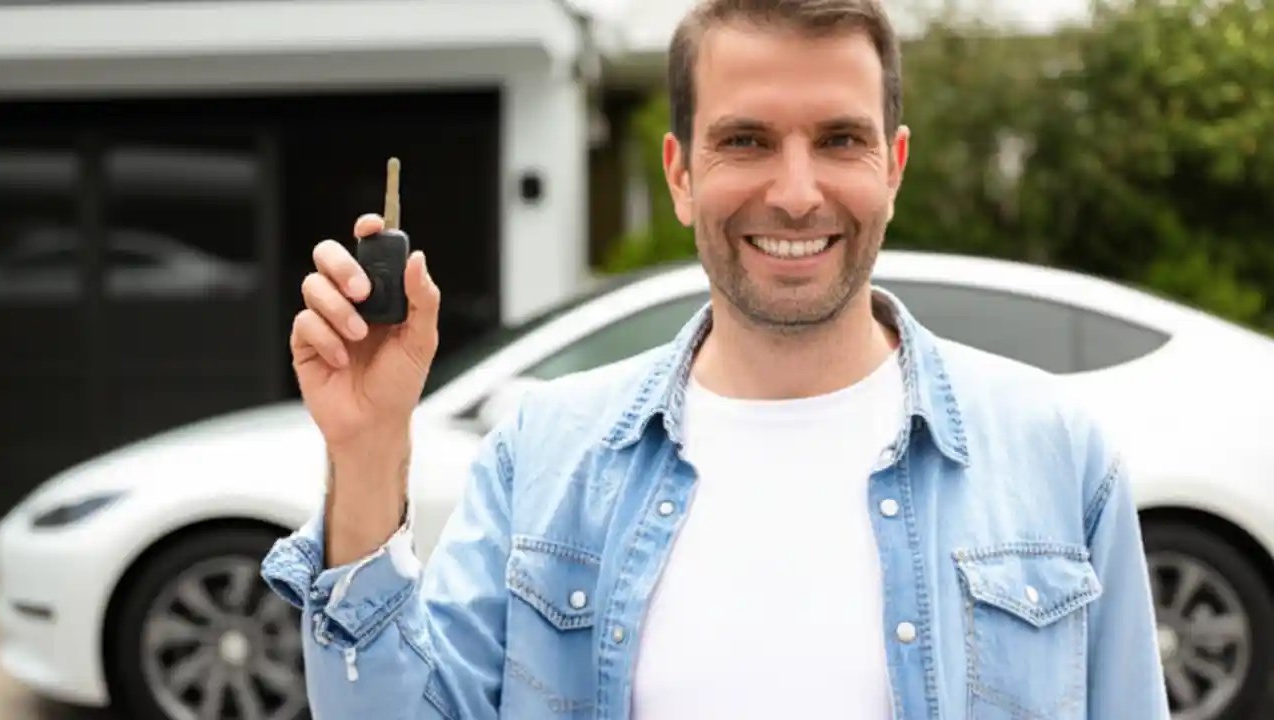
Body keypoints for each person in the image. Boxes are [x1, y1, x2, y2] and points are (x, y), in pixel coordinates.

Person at [260, 0, 1171, 717]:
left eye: (840, 139)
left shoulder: (1058, 455)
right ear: (681, 174)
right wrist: (370, 449)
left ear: (893, 166)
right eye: (746, 141)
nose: (797, 192)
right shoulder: (543, 455)